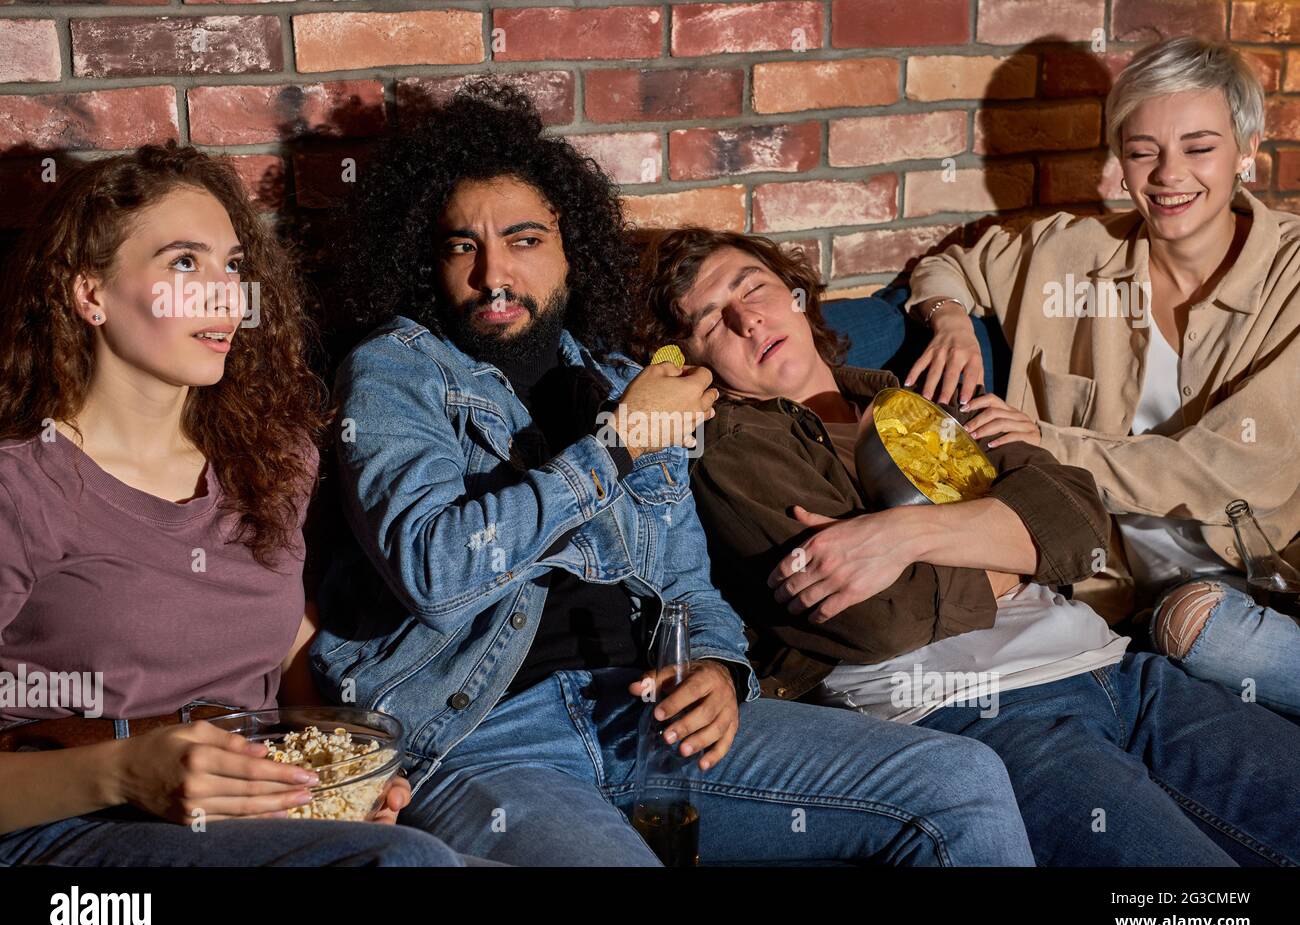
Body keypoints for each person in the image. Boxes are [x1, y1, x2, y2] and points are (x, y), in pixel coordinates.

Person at [309, 79, 1037, 867]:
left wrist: (722, 670)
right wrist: (615, 447)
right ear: (430, 260)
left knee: (960, 782)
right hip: (485, 737)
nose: (493, 273)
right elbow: (434, 568)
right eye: (462, 246)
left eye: (524, 240)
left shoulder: (623, 380)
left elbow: (689, 587)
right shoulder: (394, 372)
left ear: (569, 249)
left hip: (644, 716)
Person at [634, 225, 1300, 866]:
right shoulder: (732, 448)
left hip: (1119, 669)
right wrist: (1013, 546)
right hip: (976, 715)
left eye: (753, 289)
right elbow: (874, 619)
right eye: (712, 320)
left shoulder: (913, 396)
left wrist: (901, 534)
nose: (748, 320)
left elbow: (1081, 524)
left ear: (795, 293)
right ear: (696, 362)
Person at [0, 145, 470, 866]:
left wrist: (339, 780)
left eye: (234, 266)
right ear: (89, 294)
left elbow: (286, 648)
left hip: (245, 822)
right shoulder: (21, 485)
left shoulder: (272, 461)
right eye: (184, 263)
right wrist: (125, 770)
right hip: (70, 836)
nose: (225, 295)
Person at [902, 37, 1300, 715]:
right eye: (1144, 150)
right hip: (1120, 596)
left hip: (1267, 579)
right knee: (1198, 629)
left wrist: (1049, 443)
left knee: (1221, 636)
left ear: (1247, 152)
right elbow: (954, 266)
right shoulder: (1070, 253)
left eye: (1199, 147)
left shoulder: (1291, 273)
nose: (1169, 174)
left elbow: (1240, 470)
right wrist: (950, 321)